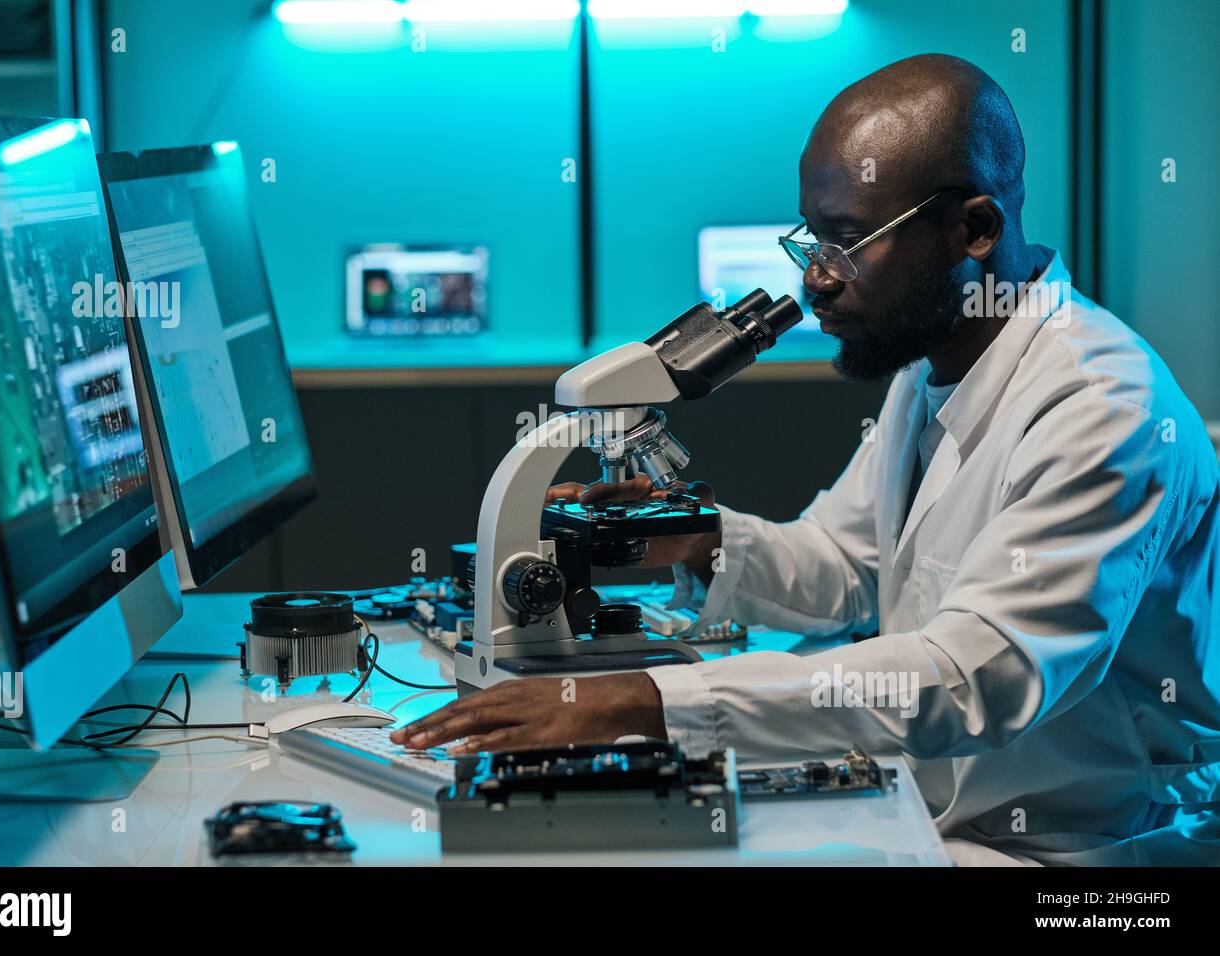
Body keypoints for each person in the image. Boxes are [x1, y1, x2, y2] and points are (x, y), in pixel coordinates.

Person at [392, 54, 1220, 865]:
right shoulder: (938, 362)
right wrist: (696, 537)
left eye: (850, 241)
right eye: (812, 239)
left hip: (1077, 853)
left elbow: (976, 674)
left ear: (975, 228)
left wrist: (642, 700)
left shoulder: (1104, 407)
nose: (817, 281)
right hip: (933, 809)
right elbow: (849, 565)